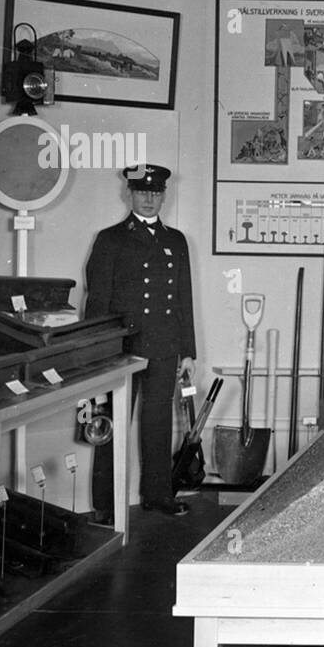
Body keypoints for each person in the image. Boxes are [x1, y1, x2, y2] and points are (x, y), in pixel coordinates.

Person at [85, 163, 196, 517]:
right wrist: (96, 351)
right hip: (123, 348)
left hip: (165, 345)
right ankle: (106, 505)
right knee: (112, 424)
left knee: (158, 424)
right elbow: (97, 301)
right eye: (143, 192)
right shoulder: (111, 239)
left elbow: (183, 298)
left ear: (164, 195)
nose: (150, 198)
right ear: (129, 194)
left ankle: (158, 495)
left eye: (156, 192)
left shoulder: (175, 240)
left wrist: (188, 351)